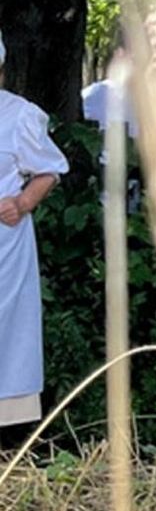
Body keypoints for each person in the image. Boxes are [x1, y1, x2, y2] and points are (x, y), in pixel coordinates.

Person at [0, 35, 70, 451]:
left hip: (3, 244)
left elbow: (49, 169)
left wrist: (23, 201)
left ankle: (8, 435)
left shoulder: (18, 115)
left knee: (6, 329)